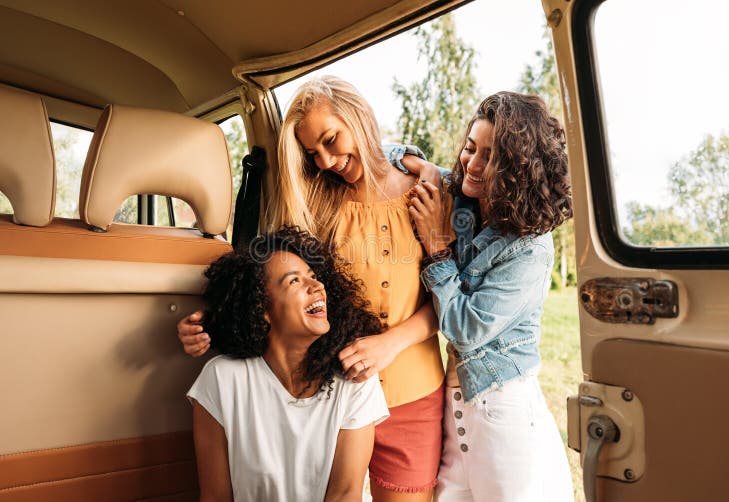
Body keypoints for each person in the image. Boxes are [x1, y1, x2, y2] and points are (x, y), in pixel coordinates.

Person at [180, 76, 445, 500]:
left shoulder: (426, 193)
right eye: (312, 153)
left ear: (357, 117)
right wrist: (211, 328)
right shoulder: (317, 205)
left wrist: (390, 344)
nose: (324, 160)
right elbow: (275, 292)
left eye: (330, 140)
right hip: (331, 391)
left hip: (412, 392)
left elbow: (446, 299)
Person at [408, 92, 575, 501]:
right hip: (455, 407)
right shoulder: (463, 201)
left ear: (518, 170)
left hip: (503, 412)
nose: (473, 164)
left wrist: (436, 247)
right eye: (470, 148)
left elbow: (466, 329)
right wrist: (422, 164)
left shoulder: (531, 246)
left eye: (492, 156)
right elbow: (391, 155)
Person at [187, 226, 389, 501]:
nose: (317, 286)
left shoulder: (355, 379)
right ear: (262, 308)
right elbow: (215, 497)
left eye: (314, 277)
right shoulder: (221, 380)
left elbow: (345, 494)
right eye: (294, 281)